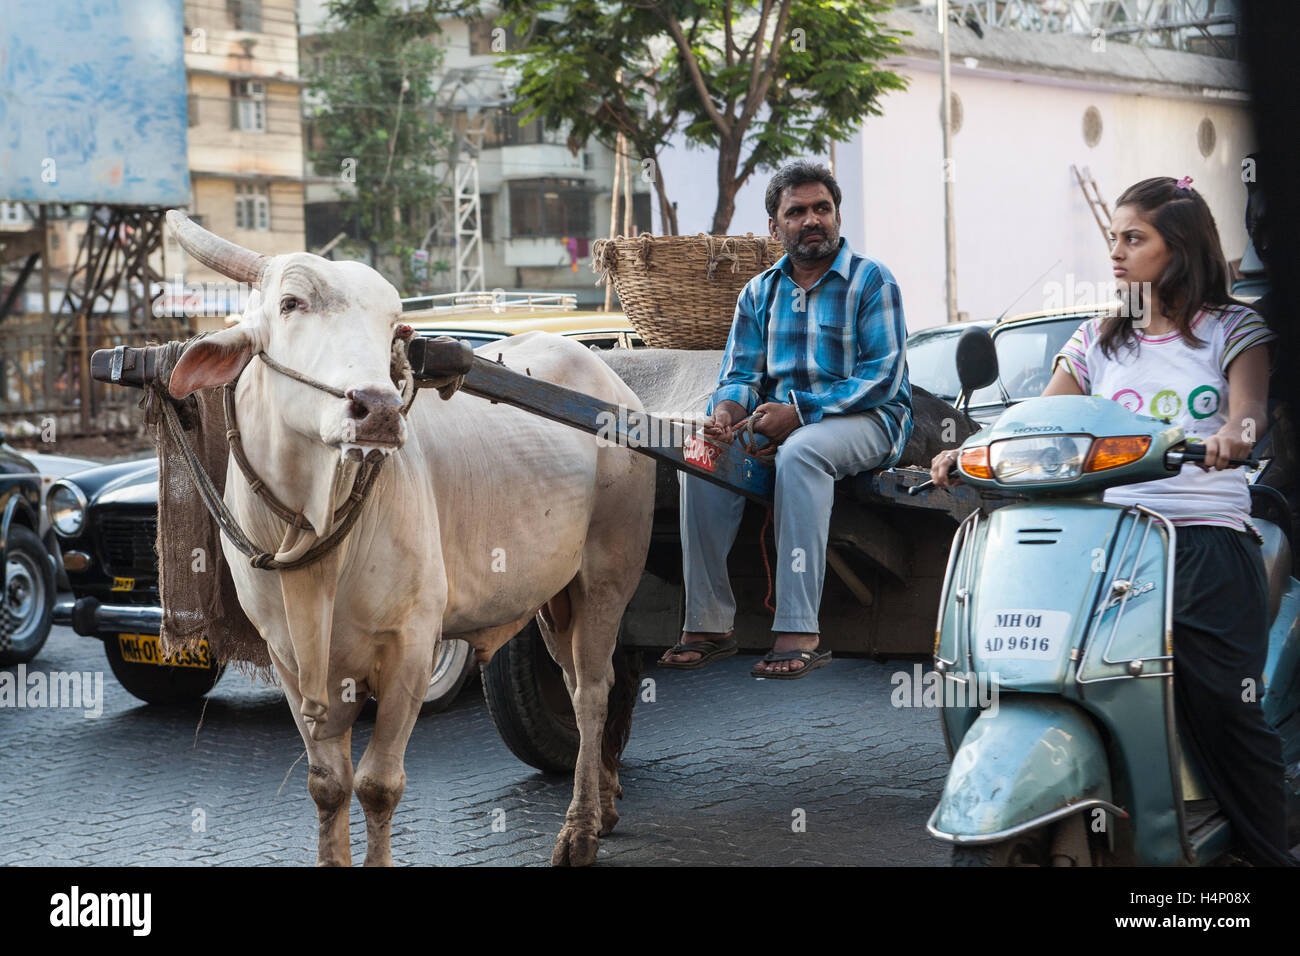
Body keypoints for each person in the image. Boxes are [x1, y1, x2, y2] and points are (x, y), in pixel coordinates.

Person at [930, 175, 1296, 866]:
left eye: (1134, 238)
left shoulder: (1233, 328)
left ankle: (1264, 854)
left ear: (1180, 247)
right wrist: (970, 449)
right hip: (1109, 542)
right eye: (1113, 239)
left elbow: (1248, 407)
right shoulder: (1100, 335)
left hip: (1201, 538)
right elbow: (1037, 419)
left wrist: (1233, 436)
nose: (1118, 253)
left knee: (1223, 700)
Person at [659, 161, 912, 679]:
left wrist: (799, 413)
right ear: (775, 227)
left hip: (870, 420)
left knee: (802, 451)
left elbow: (881, 378)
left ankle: (799, 629)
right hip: (779, 419)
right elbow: (738, 377)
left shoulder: (872, 280)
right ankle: (707, 623)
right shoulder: (758, 293)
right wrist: (726, 416)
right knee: (701, 452)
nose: (812, 219)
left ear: (838, 216)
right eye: (796, 212)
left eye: (822, 208)